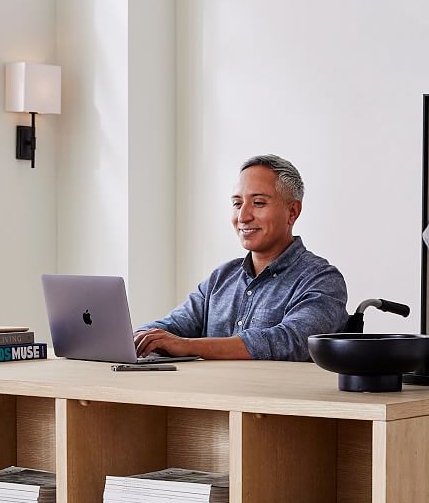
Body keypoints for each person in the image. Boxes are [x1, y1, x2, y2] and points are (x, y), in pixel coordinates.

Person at [134, 155, 348, 361]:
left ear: (292, 212)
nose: (243, 217)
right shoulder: (222, 277)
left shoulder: (322, 280)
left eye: (258, 203)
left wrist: (187, 345)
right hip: (208, 396)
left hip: (276, 397)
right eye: (237, 204)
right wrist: (141, 338)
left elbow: (291, 341)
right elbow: (173, 325)